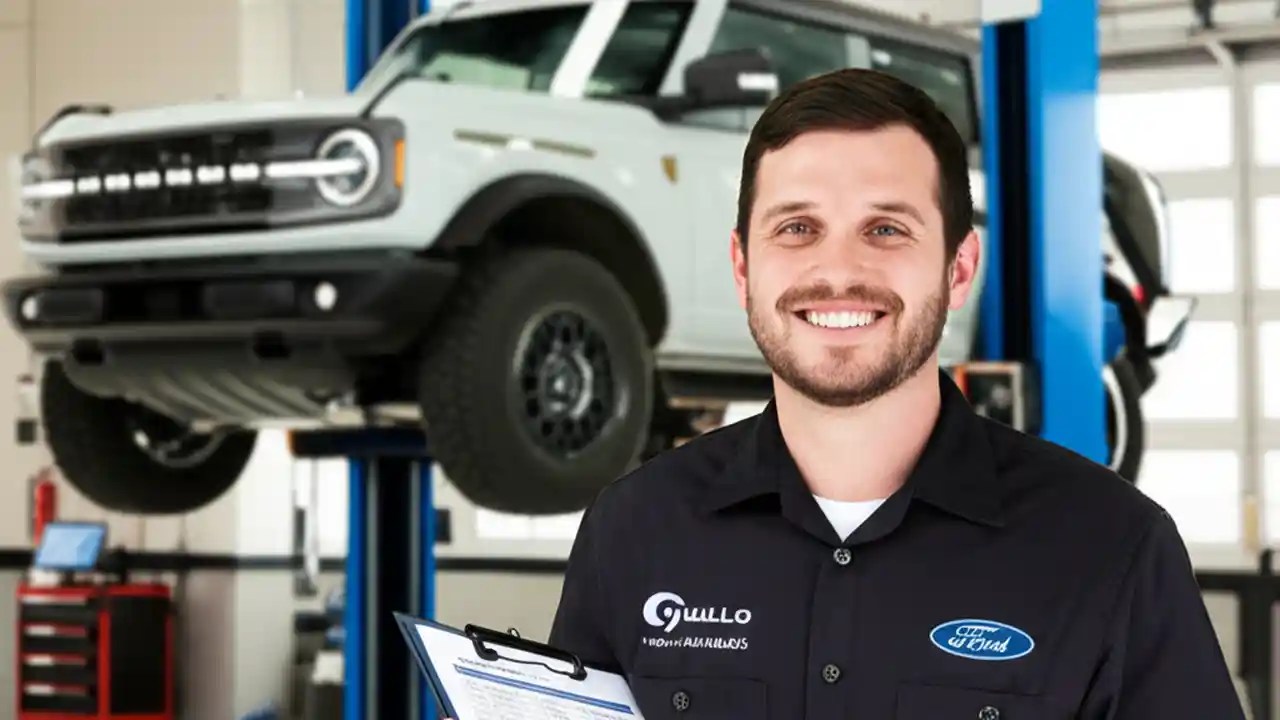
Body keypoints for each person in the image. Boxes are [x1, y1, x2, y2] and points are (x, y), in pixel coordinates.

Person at [544, 68, 1246, 719]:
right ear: (742, 265)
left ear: (960, 266)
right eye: (797, 228)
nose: (838, 270)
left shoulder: (1111, 547)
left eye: (885, 229)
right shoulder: (634, 533)